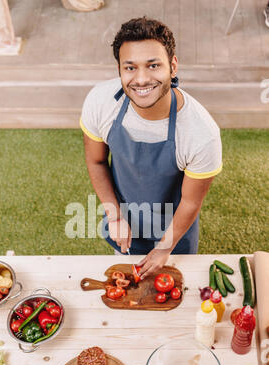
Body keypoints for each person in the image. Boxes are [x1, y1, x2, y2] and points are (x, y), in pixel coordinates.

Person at [80, 17, 222, 280]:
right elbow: (96, 162)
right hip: (123, 214)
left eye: (153, 65)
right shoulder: (100, 102)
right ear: (120, 70)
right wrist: (114, 215)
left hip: (174, 225)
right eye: (130, 67)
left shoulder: (202, 134)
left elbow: (191, 201)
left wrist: (164, 248)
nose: (142, 79)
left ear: (173, 66)